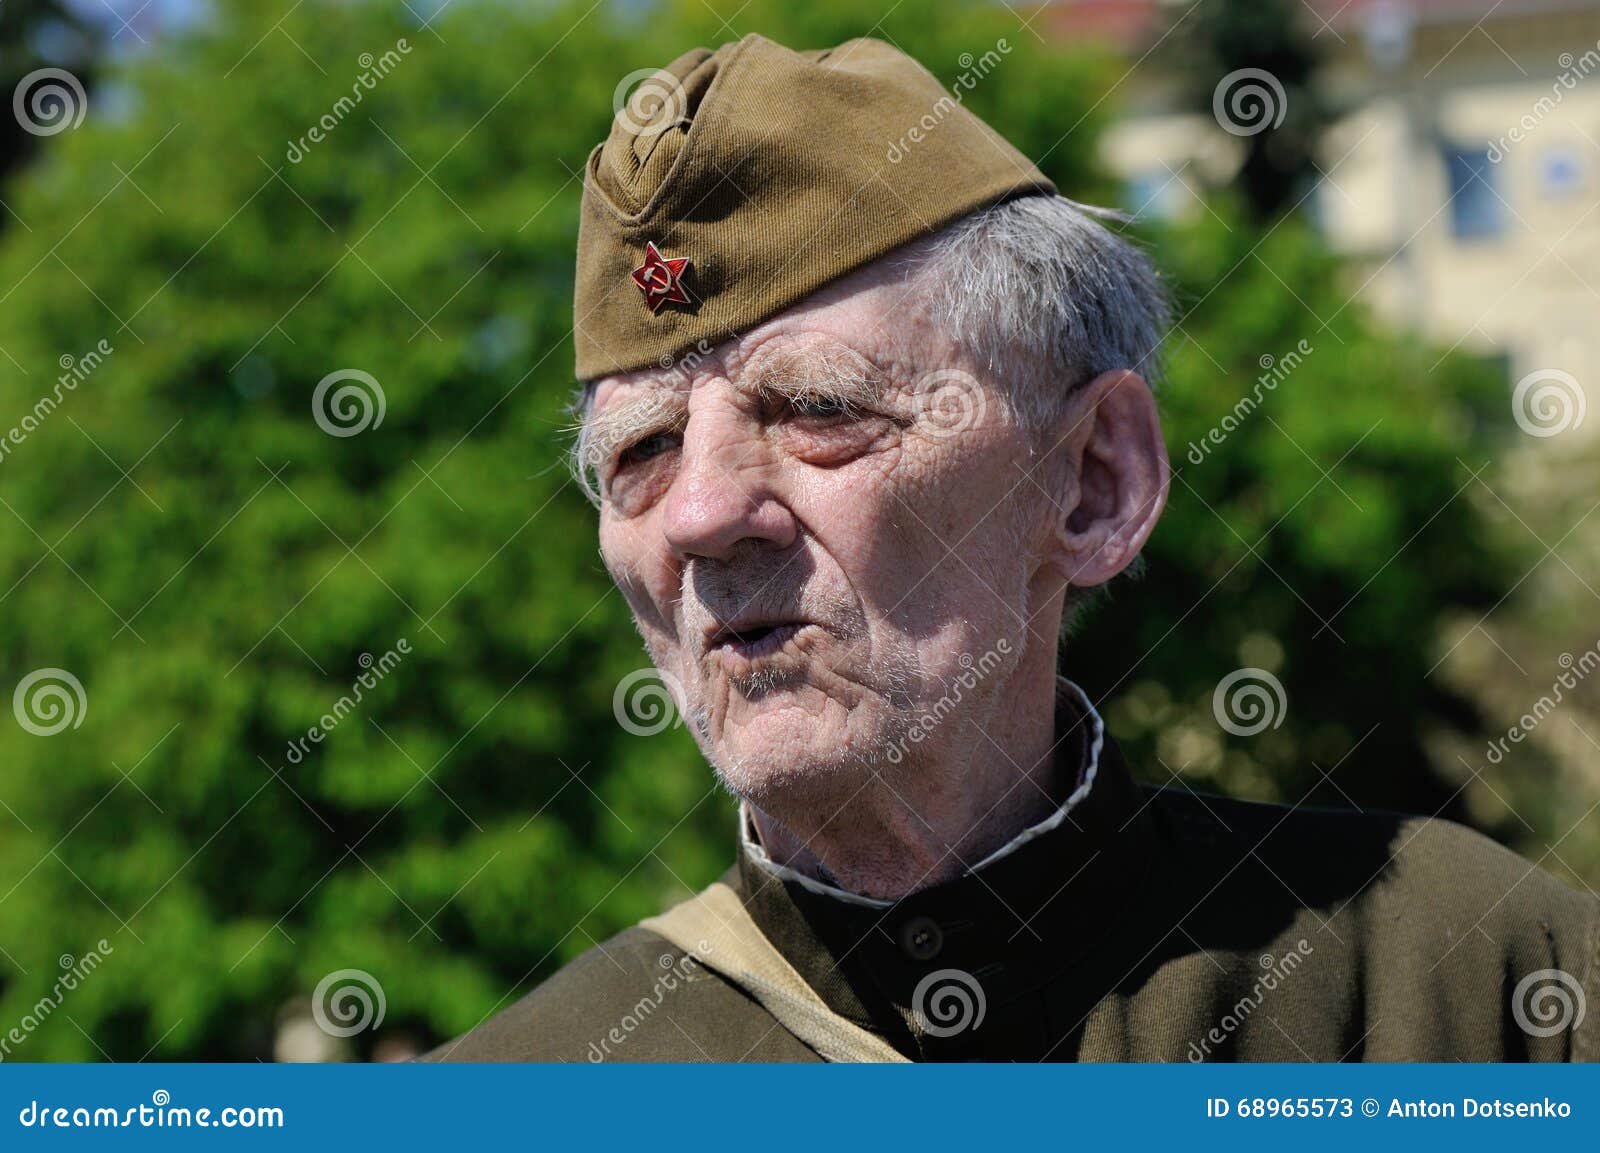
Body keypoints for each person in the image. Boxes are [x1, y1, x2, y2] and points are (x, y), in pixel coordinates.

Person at [428, 33, 1598, 1062]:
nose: (697, 514)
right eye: (641, 448)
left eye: (819, 409)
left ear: (1094, 481)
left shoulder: (1471, 993)